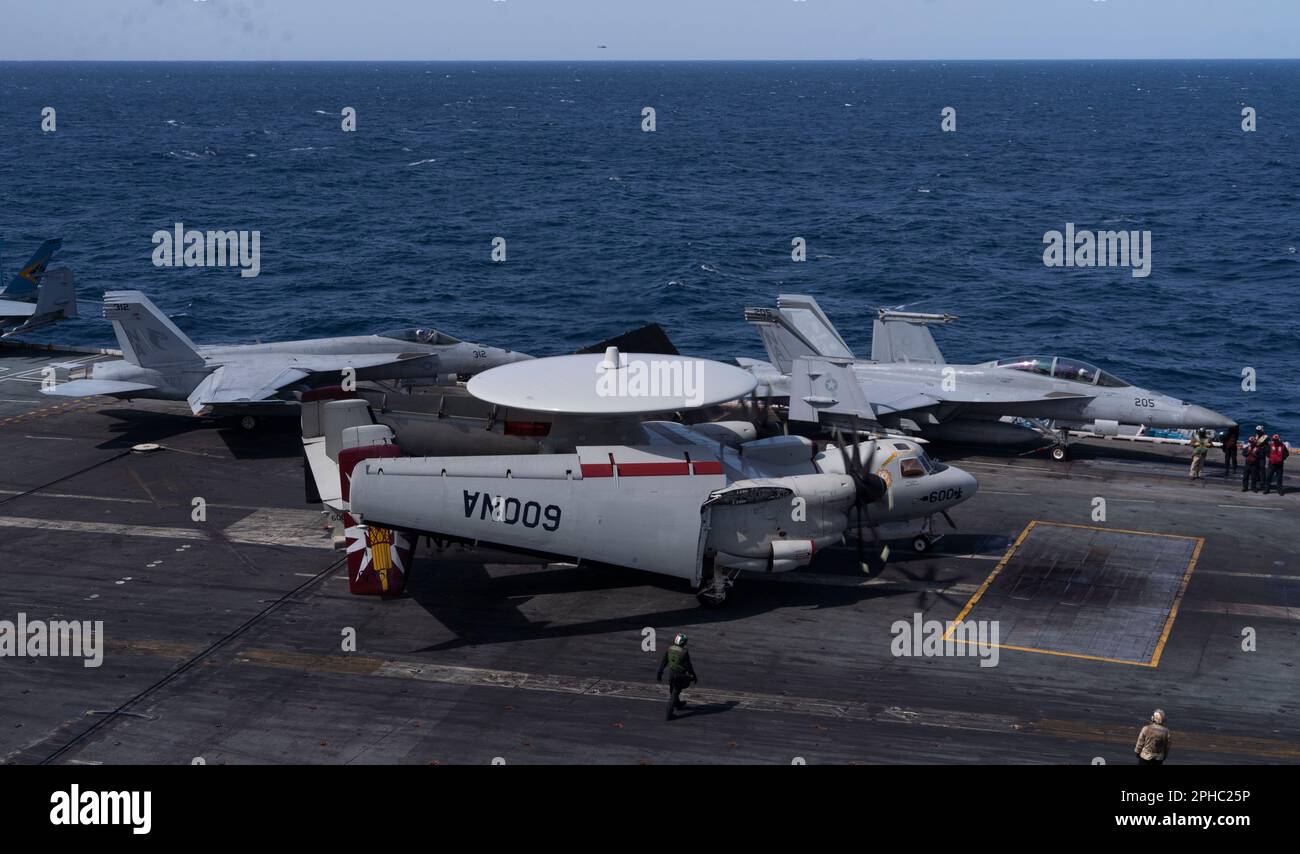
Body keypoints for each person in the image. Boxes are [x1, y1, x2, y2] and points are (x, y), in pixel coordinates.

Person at [656, 632, 698, 721]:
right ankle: (669, 714)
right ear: (683, 643)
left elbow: (664, 661)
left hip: (671, 674)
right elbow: (688, 665)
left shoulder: (670, 649)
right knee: (675, 693)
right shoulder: (684, 652)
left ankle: (678, 704)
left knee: (673, 690)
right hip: (680, 675)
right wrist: (693, 675)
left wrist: (660, 672)